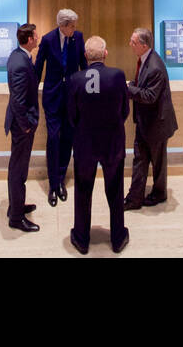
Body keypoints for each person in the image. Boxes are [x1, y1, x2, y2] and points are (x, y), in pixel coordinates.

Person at [66, 36, 129, 254]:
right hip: (113, 143)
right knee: (115, 190)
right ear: (106, 54)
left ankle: (82, 238)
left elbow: (71, 116)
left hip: (85, 145)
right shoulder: (118, 76)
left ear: (85, 56)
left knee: (83, 190)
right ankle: (118, 237)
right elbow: (125, 112)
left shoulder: (75, 79)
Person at [34, 8, 86, 206]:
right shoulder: (48, 40)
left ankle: (62, 179)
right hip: (53, 97)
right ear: (63, 26)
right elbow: (39, 67)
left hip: (72, 97)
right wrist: (30, 90)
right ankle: (53, 185)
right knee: (53, 138)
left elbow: (83, 65)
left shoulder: (78, 38)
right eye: (71, 26)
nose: (75, 29)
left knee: (67, 139)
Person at [125, 27, 178, 210]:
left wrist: (128, 89)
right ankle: (134, 197)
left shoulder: (154, 66)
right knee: (139, 159)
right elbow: (143, 86)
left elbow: (149, 96)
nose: (130, 45)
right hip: (144, 122)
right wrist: (133, 85)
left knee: (158, 163)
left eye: (133, 42)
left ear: (143, 44)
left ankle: (159, 193)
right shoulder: (144, 60)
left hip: (157, 124)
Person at [4, 23, 41, 233]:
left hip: (21, 124)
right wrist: (27, 125)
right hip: (21, 126)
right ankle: (16, 217)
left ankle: (16, 206)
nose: (38, 38)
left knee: (19, 168)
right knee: (18, 170)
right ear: (29, 39)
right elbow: (18, 100)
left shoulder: (18, 56)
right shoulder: (20, 63)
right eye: (36, 36)